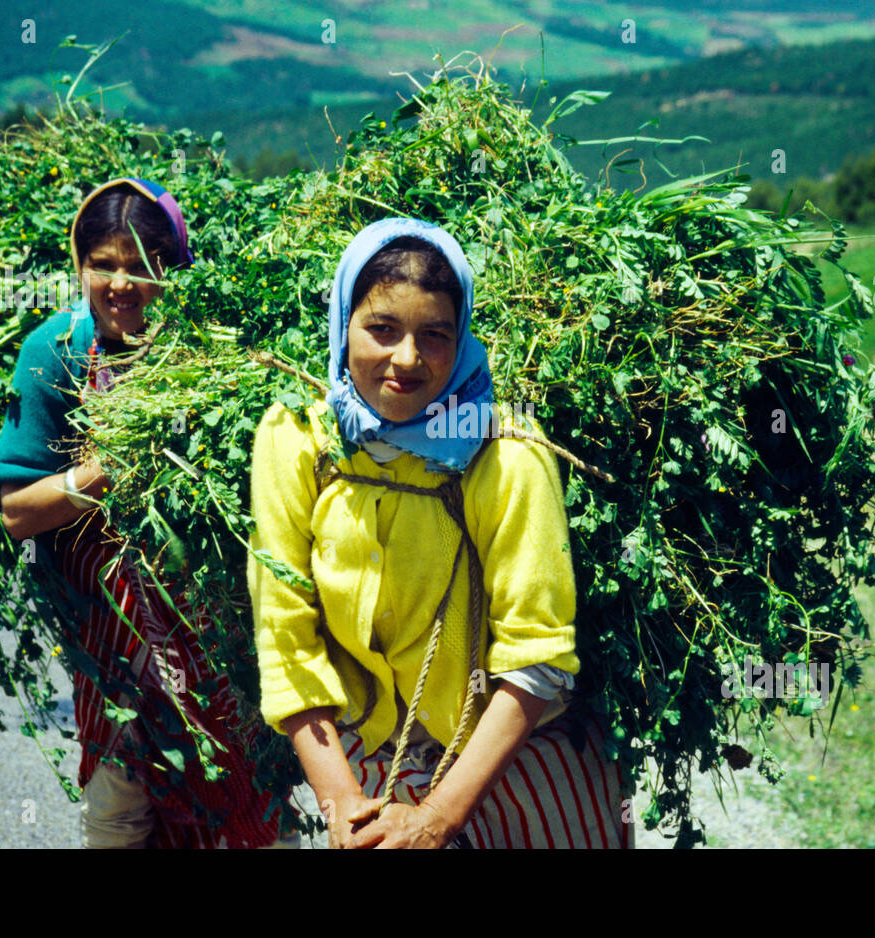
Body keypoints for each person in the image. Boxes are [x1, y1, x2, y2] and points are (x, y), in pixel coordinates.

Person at [248, 217, 630, 848]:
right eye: (381, 329)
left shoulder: (505, 452)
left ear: (463, 339)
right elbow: (284, 635)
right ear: (342, 323)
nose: (407, 358)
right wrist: (342, 802)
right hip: (362, 755)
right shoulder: (295, 440)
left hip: (513, 756)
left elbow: (538, 654)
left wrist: (438, 819)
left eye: (434, 335)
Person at [0, 178, 290, 848]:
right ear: (80, 266)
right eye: (104, 264)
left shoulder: (214, 355)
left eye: (143, 267)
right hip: (111, 639)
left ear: (174, 272)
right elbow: (16, 512)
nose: (121, 284)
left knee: (244, 796)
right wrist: (105, 469)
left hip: (214, 642)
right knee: (120, 809)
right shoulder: (55, 355)